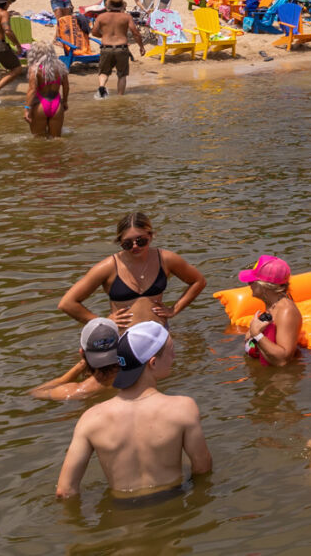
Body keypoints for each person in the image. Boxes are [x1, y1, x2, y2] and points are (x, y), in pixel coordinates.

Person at [55, 322, 211, 499]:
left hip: (122, 513)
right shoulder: (183, 408)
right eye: (171, 351)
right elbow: (202, 468)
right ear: (152, 362)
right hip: (172, 501)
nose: (174, 356)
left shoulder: (90, 419)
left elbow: (65, 491)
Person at [59, 211, 207, 329]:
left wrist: (174, 309)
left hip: (158, 336)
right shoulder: (108, 267)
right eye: (127, 244)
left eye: (141, 241)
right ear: (120, 242)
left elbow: (198, 281)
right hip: (123, 340)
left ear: (150, 235)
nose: (135, 246)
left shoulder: (166, 259)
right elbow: (67, 303)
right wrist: (101, 322)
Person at [29, 319, 130, 402]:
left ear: (82, 352)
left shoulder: (79, 390)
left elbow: (35, 393)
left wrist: (64, 378)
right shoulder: (139, 372)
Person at [238, 255, 303, 366]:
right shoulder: (272, 304)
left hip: (281, 380)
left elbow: (283, 360)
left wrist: (256, 334)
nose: (248, 284)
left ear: (265, 286)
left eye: (252, 281)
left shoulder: (286, 312)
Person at [90, 0, 144, 99]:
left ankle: (101, 87)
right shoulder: (126, 17)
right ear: (121, 5)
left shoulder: (101, 17)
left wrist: (104, 36)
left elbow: (94, 32)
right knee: (122, 75)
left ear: (108, 5)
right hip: (121, 48)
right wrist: (141, 46)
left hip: (106, 48)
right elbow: (135, 33)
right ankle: (120, 98)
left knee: (104, 72)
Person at [23, 45, 70, 137]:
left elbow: (32, 90)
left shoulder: (35, 69)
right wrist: (65, 101)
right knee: (57, 139)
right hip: (57, 105)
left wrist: (27, 109)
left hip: (39, 105)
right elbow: (66, 86)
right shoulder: (61, 67)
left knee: (38, 140)